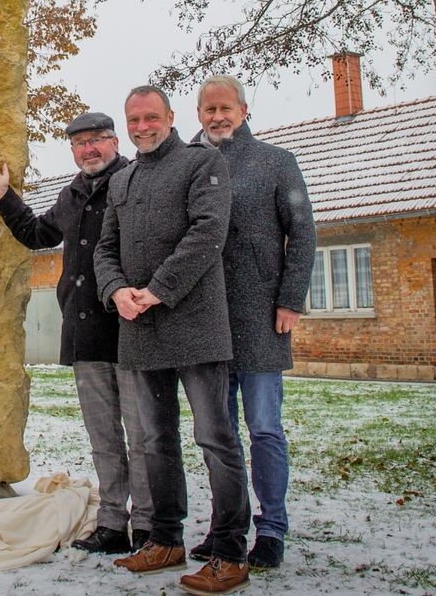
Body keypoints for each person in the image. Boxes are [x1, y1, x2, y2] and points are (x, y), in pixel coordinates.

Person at [94, 86, 252, 595]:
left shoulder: (200, 163)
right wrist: (117, 290)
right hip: (139, 331)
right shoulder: (123, 179)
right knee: (154, 442)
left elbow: (208, 233)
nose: (143, 127)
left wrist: (157, 291)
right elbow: (105, 248)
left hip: (197, 327)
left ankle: (229, 551)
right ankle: (165, 539)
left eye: (151, 117)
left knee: (216, 440)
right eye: (134, 120)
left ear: (170, 117)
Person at [0, 111, 152, 554]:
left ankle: (151, 526)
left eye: (98, 140)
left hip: (135, 328)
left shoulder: (137, 181)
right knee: (103, 438)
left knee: (145, 436)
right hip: (85, 330)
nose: (89, 149)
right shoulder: (71, 194)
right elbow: (37, 235)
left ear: (115, 143)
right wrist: (3, 196)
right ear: (72, 150)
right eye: (80, 143)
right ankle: (113, 523)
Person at [188, 75, 315, 570]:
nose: (217, 117)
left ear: (243, 110)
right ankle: (228, 529)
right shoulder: (188, 165)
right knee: (217, 433)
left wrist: (290, 300)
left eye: (225, 108)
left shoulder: (276, 162)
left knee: (263, 428)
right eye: (208, 110)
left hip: (262, 318)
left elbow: (302, 233)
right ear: (197, 114)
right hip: (204, 323)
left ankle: (273, 528)